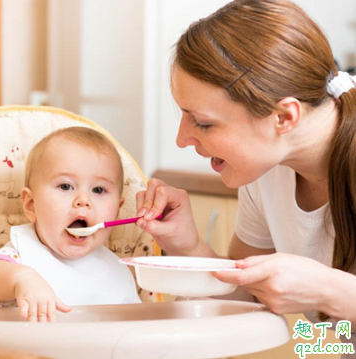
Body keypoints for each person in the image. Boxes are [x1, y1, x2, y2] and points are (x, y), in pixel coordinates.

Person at [135, 0, 356, 350]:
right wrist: (187, 245)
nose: (182, 139)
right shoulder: (267, 170)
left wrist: (329, 288)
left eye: (203, 122)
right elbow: (245, 294)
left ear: (283, 117)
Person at [0, 126, 140, 322]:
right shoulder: (21, 255)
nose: (83, 200)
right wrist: (22, 279)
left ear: (117, 211)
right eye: (65, 186)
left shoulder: (118, 271)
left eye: (98, 190)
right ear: (31, 204)